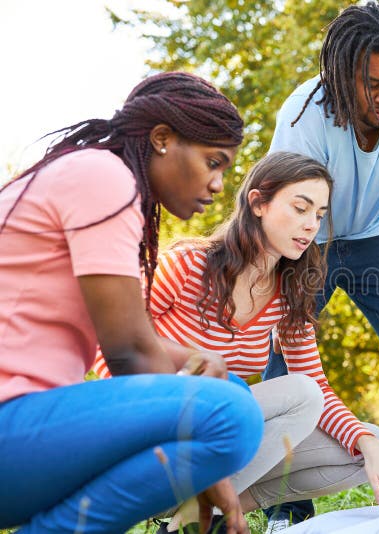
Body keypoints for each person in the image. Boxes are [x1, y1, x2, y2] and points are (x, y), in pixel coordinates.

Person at [93, 151, 379, 532]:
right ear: (258, 203)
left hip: (212, 446)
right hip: (152, 438)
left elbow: (317, 386)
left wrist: (366, 443)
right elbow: (112, 342)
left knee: (369, 444)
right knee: (299, 392)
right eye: (300, 208)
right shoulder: (187, 265)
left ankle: (202, 517)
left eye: (319, 215)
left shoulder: (290, 294)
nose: (311, 225)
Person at [0, 72, 264, 534]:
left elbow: (131, 342)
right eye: (213, 163)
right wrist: (213, 477)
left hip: (27, 428)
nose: (219, 185)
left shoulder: (95, 177)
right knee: (231, 414)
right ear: (162, 139)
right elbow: (128, 352)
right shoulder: (103, 176)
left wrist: (196, 360)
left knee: (229, 390)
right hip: (11, 426)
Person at [264, 2, 379, 526]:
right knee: (282, 358)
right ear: (345, 75)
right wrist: (285, 285)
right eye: (373, 84)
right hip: (306, 242)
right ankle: (285, 507)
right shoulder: (305, 114)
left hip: (373, 235)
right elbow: (288, 211)